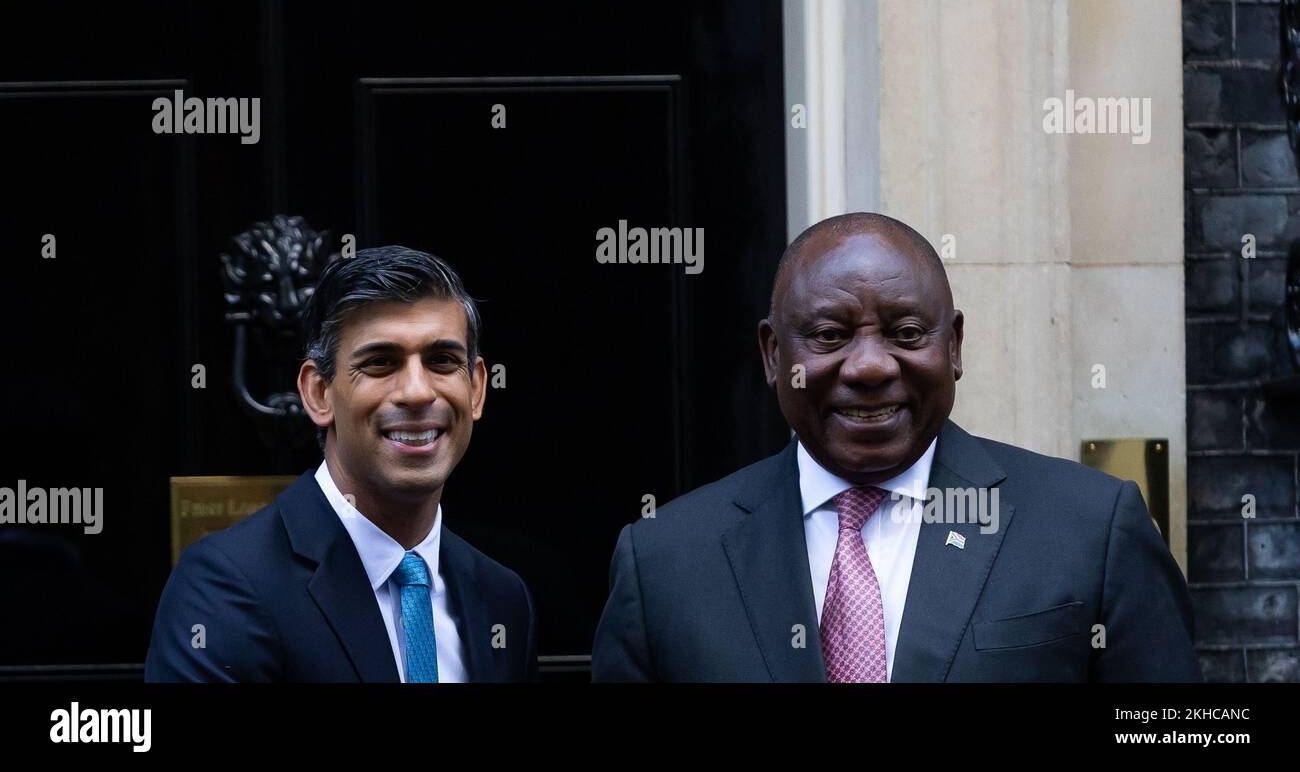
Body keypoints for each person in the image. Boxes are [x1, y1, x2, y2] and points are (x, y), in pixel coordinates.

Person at [591, 212, 1201, 682]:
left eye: (907, 333)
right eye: (829, 336)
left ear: (953, 346)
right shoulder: (665, 563)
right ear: (774, 356)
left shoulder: (1091, 530)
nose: (870, 366)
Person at [146, 246, 538, 681]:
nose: (417, 392)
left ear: (477, 389)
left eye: (442, 361)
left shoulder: (502, 599)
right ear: (318, 394)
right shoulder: (226, 586)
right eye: (380, 363)